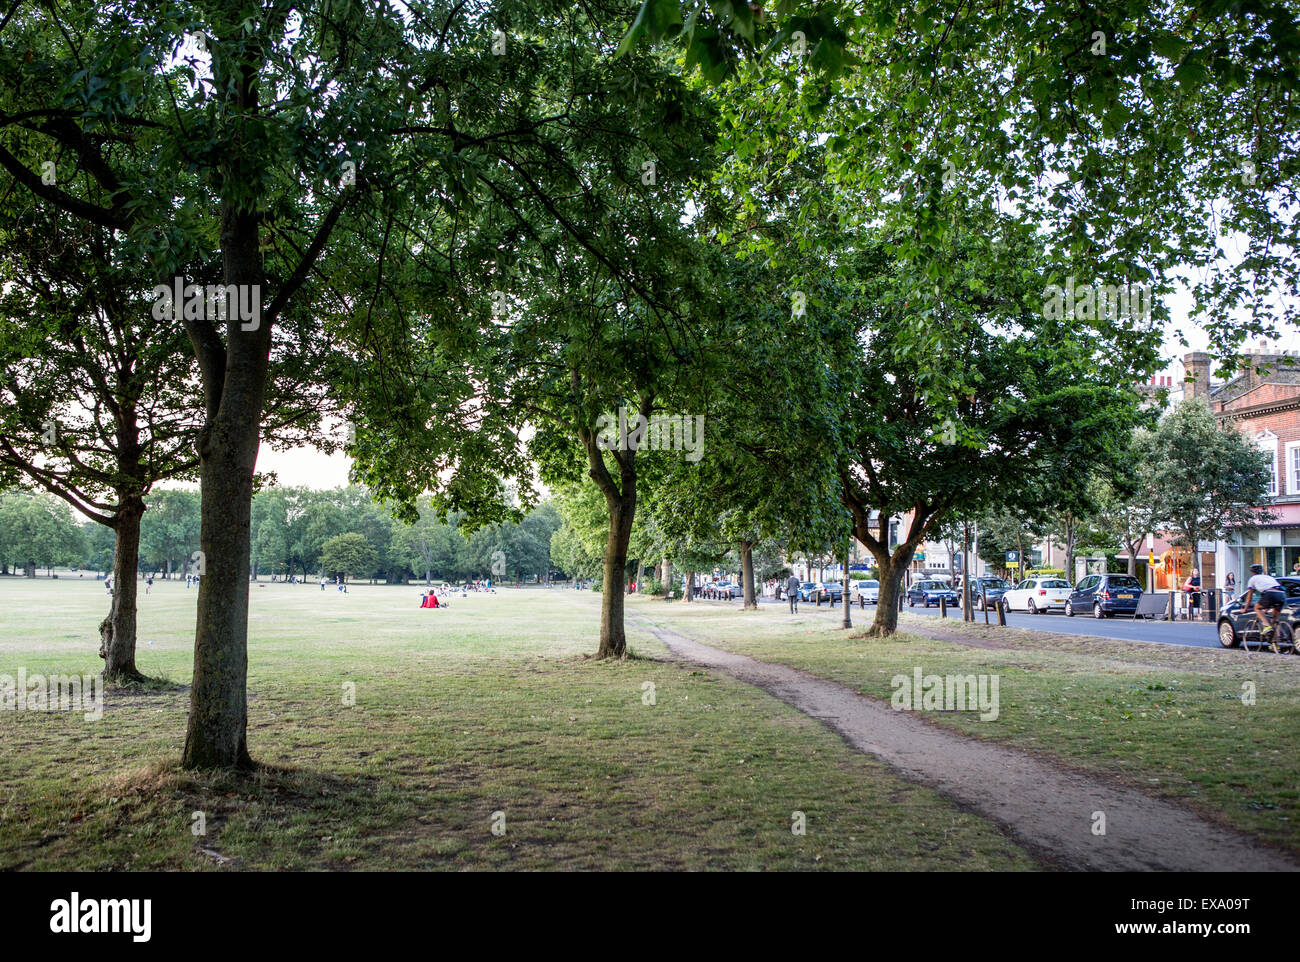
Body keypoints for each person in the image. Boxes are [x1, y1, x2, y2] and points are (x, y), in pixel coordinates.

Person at [1242, 562, 1286, 647]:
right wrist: (1266, 608)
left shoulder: (1253, 579)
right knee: (1274, 620)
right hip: (1281, 594)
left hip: (1270, 594)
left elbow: (1249, 596)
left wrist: (1245, 608)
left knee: (1257, 608)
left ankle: (1267, 626)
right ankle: (1275, 644)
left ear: (1252, 572)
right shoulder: (1268, 577)